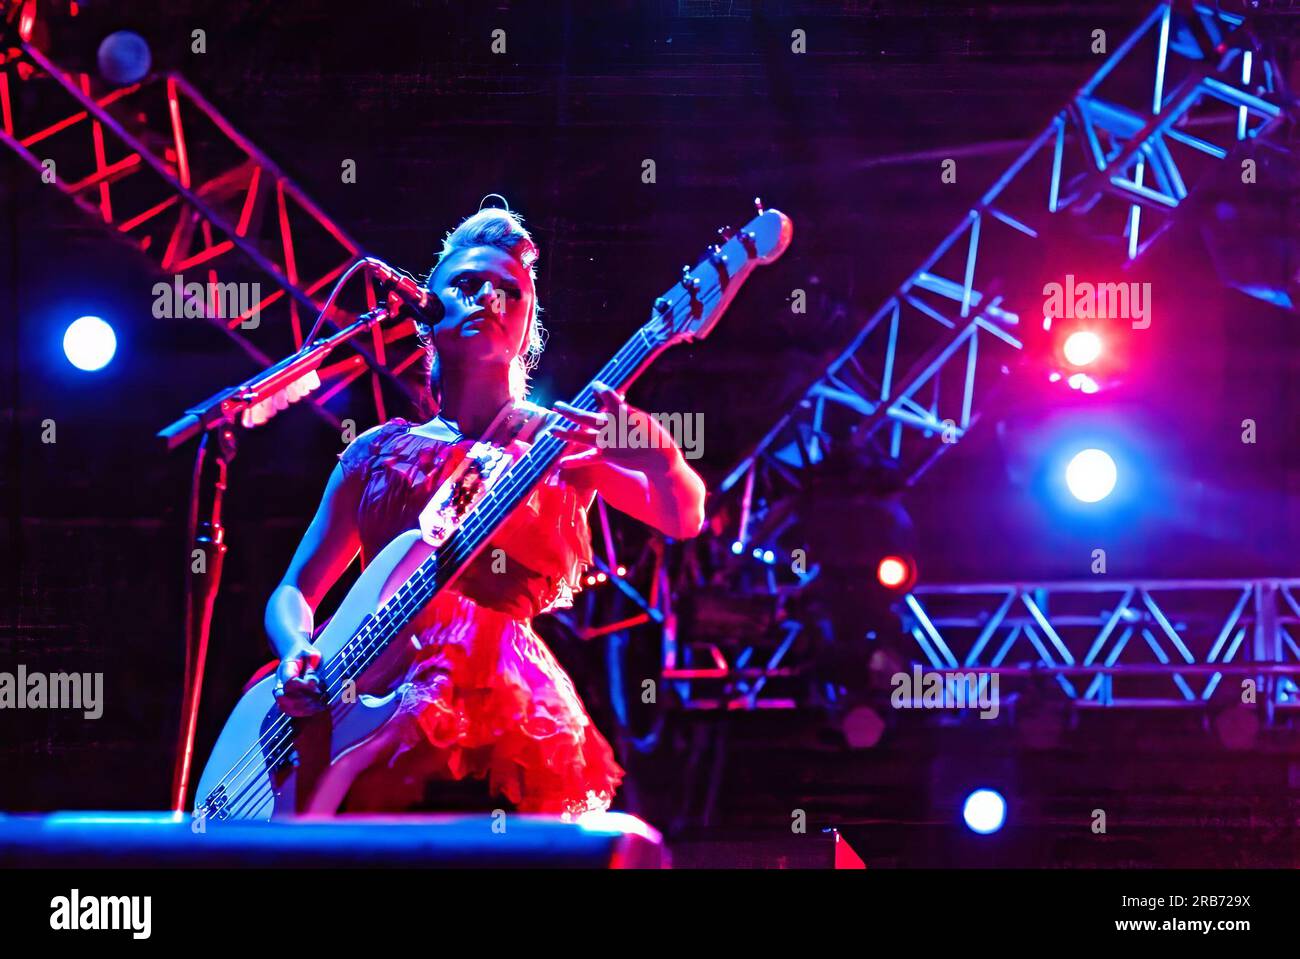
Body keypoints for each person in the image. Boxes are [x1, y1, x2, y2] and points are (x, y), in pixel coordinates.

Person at [263, 202, 706, 818]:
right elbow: (294, 591)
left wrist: (654, 453)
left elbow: (683, 515)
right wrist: (293, 652)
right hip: (356, 694)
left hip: (498, 709)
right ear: (427, 311)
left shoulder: (558, 438)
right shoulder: (374, 451)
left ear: (528, 332)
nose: (488, 300)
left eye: (510, 293)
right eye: (467, 285)